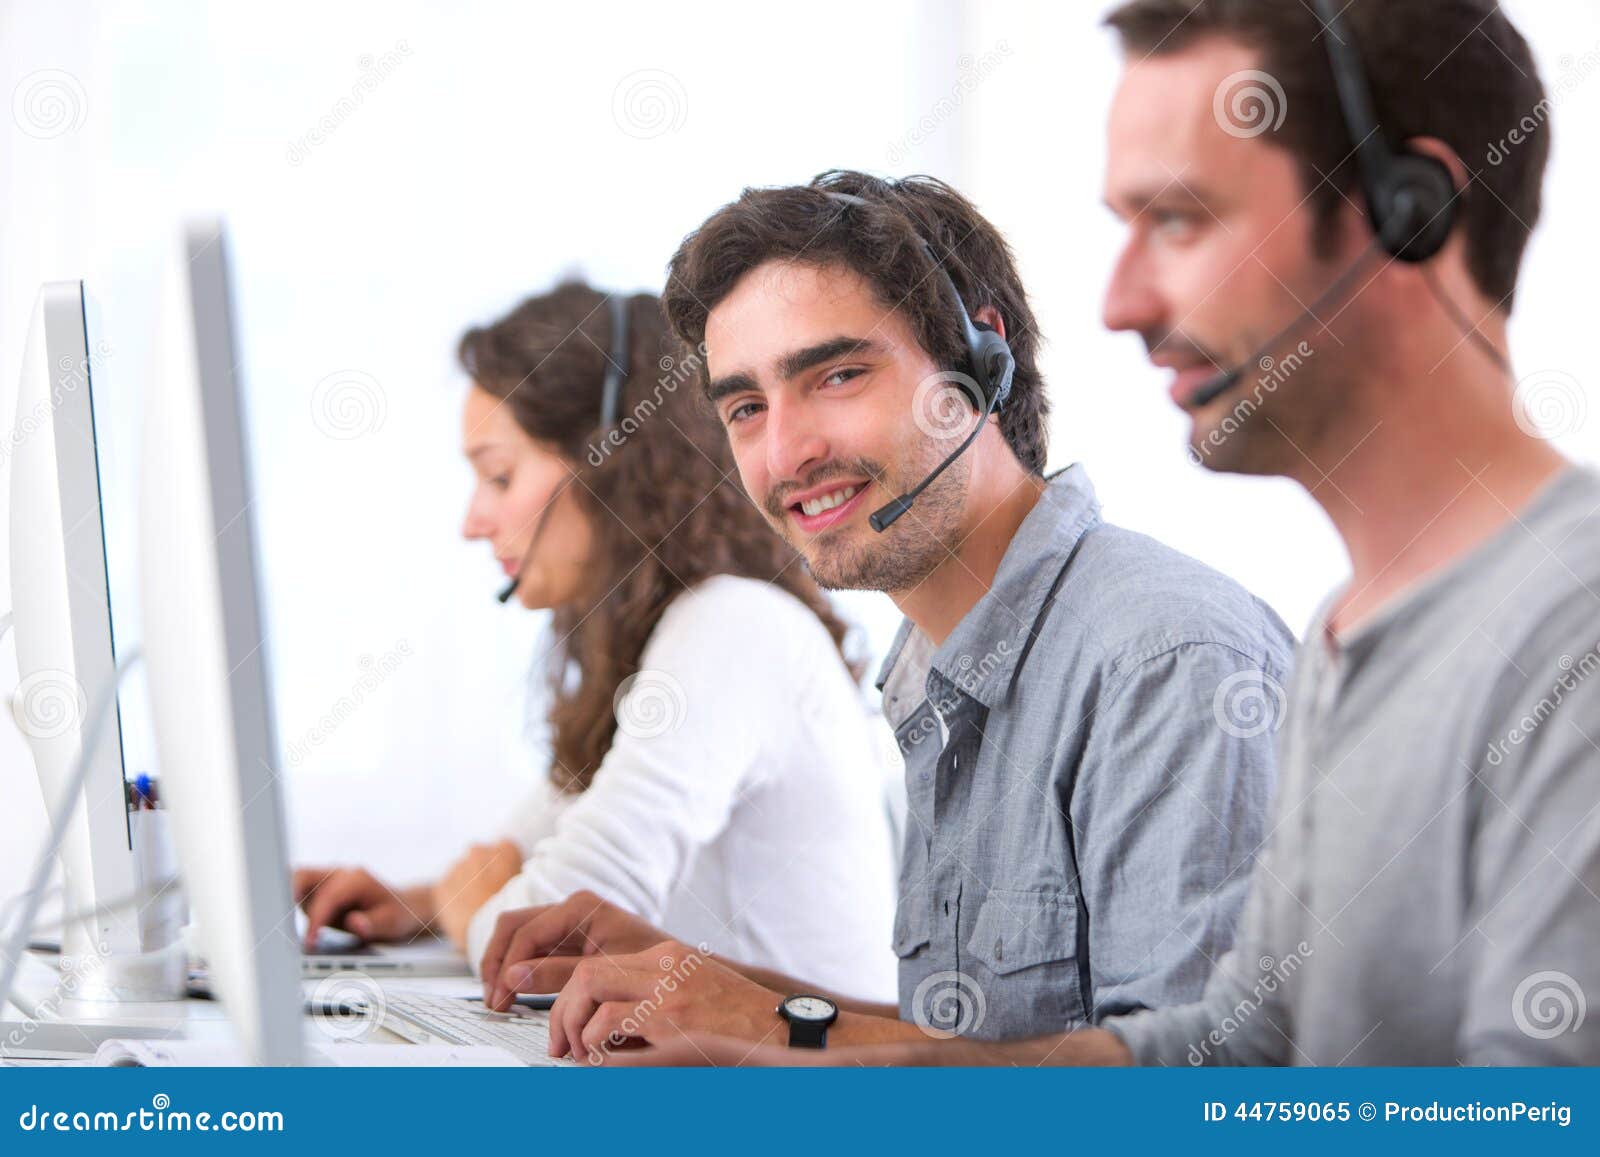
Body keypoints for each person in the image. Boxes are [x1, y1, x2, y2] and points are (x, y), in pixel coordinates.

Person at [636, 0, 1600, 1067]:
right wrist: (803, 1056)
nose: (1118, 301)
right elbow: (1232, 1059)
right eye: (744, 407)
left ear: (1410, 211)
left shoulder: (1568, 631)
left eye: (1181, 219)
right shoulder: (1351, 631)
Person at [477, 175, 1296, 1062]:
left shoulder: (1163, 658)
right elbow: (995, 1055)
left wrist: (771, 1030)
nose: (786, 452)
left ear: (982, 361)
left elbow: (1203, 1089)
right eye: (746, 407)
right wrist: (718, 988)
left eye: (836, 375)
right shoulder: (937, 664)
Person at [293, 281, 901, 1003]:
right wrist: (423, 904)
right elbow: (531, 852)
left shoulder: (733, 626)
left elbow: (551, 933)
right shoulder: (656, 638)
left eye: (499, 474)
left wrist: (472, 909)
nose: (473, 520)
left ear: (607, 461)